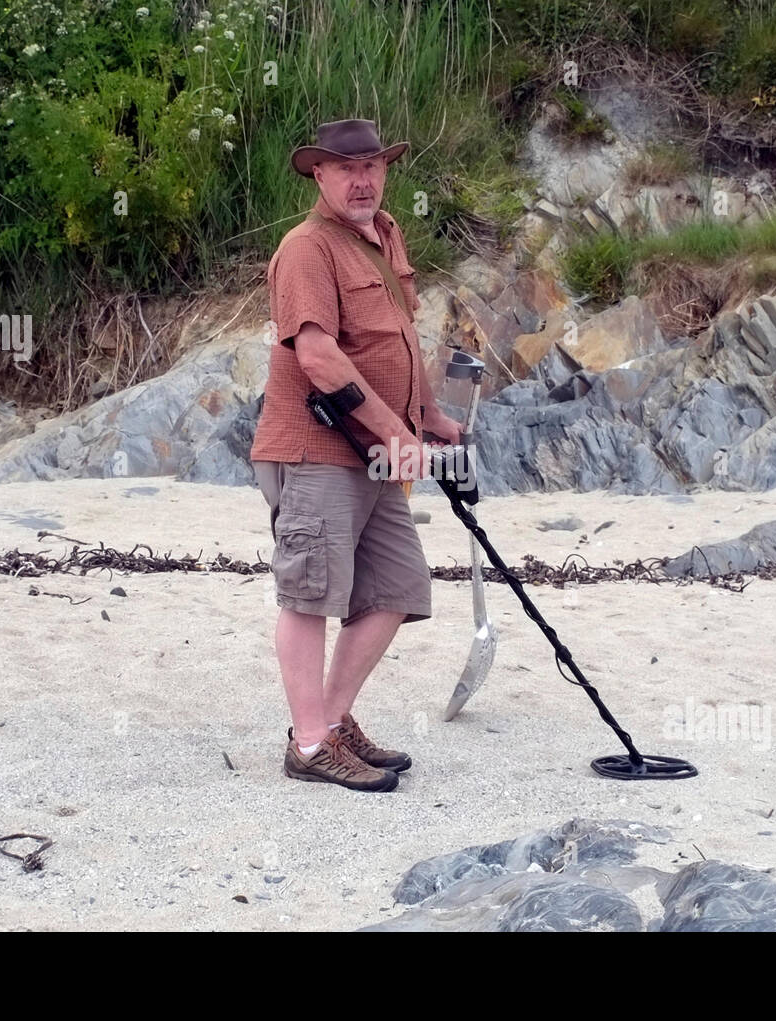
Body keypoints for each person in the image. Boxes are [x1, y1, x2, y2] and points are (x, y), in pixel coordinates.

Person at [249, 118, 463, 793]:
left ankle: (332, 720)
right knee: (310, 593)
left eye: (373, 165)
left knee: (397, 588)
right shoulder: (306, 249)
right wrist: (393, 435)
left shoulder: (385, 233)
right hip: (316, 450)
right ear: (319, 174)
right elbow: (316, 354)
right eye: (346, 169)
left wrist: (425, 416)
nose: (363, 179)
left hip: (376, 453)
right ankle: (308, 742)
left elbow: (399, 335)